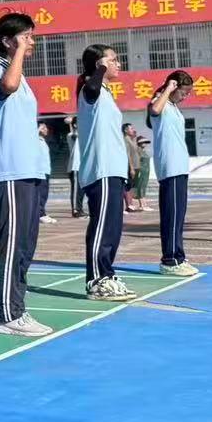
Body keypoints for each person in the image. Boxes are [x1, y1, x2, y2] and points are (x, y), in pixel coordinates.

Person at [0, 14, 53, 336]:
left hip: (28, 170)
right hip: (9, 171)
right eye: (26, 37)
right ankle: (7, 314)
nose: (32, 42)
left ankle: (17, 309)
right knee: (11, 245)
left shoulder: (18, 73)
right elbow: (6, 87)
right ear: (8, 41)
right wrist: (18, 51)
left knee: (24, 245)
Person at [76, 45, 133, 301]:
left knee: (112, 228)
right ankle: (97, 280)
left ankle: (107, 275)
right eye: (113, 60)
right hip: (101, 169)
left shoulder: (106, 94)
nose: (118, 64)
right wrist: (99, 69)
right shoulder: (90, 90)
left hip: (114, 169)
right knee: (102, 227)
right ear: (99, 64)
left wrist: (125, 169)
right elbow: (91, 88)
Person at [148, 71, 198, 276]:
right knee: (172, 215)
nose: (185, 96)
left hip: (180, 166)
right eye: (183, 92)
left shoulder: (173, 107)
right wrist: (168, 88)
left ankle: (178, 256)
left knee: (178, 216)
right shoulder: (159, 102)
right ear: (174, 86)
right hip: (170, 167)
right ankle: (170, 260)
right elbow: (154, 110)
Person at [35, 123, 56, 224]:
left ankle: (42, 212)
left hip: (46, 171)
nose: (46, 129)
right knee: (41, 193)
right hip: (40, 171)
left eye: (46, 127)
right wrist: (37, 130)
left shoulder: (43, 141)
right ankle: (40, 214)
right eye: (43, 128)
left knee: (44, 193)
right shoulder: (34, 139)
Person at [122, 124, 144, 212]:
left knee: (131, 186)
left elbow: (138, 152)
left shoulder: (132, 140)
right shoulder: (125, 140)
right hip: (131, 166)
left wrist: (135, 139)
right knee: (128, 186)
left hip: (136, 166)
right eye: (131, 128)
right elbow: (128, 155)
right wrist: (131, 168)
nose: (133, 130)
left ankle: (130, 205)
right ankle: (128, 205)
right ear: (125, 130)